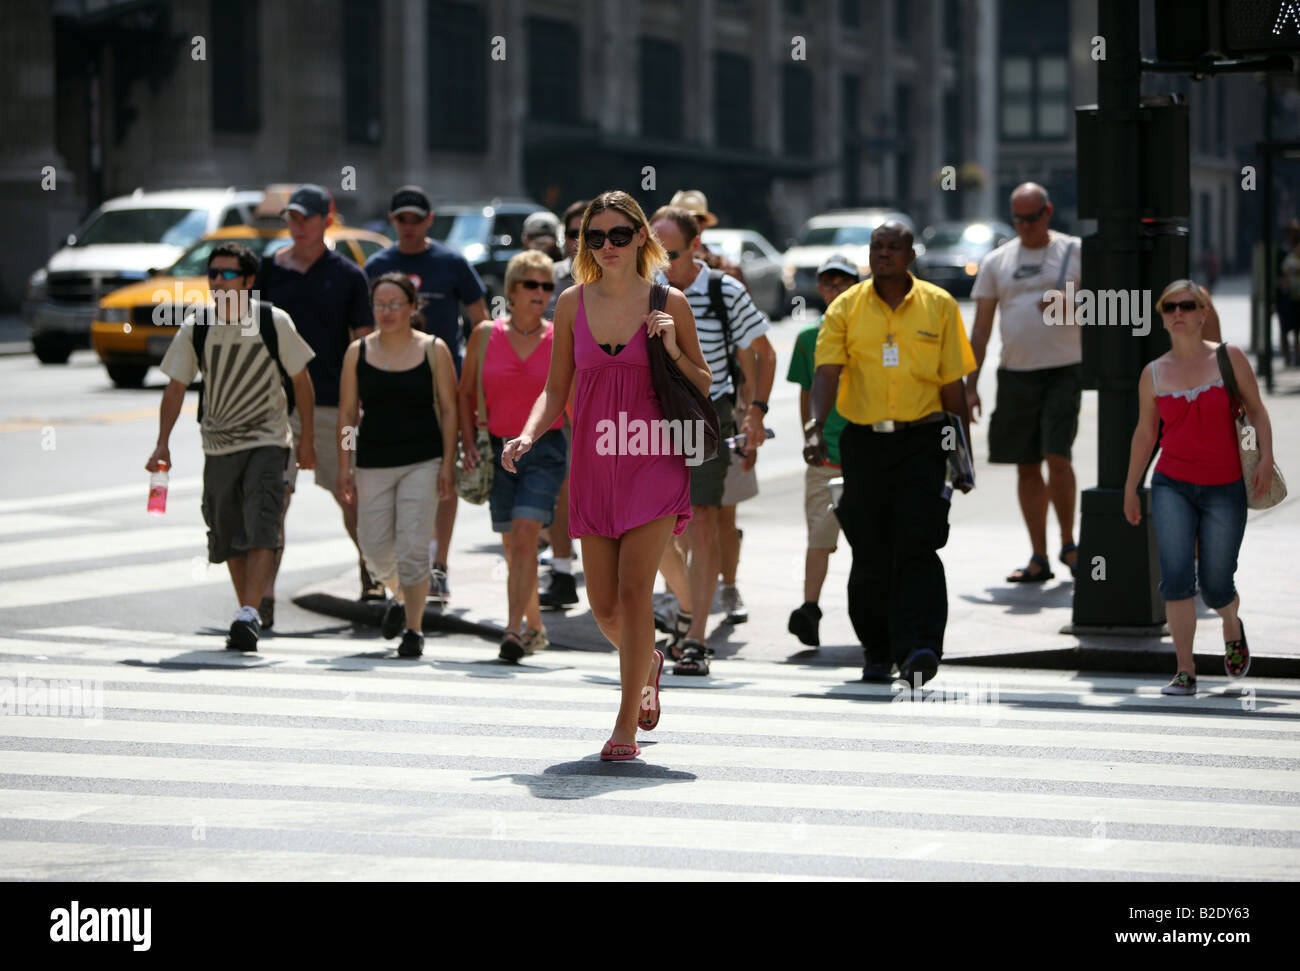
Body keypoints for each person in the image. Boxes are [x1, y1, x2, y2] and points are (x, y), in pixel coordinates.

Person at [500, 190, 710, 761]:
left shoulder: (670, 301)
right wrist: (528, 434)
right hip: (594, 464)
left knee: (636, 590)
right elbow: (554, 389)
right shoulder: (571, 303)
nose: (607, 246)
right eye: (595, 237)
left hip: (654, 459)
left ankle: (625, 725)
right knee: (604, 608)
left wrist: (671, 344)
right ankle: (650, 661)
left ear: (641, 236)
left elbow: (703, 381)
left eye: (619, 235)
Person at [807, 221, 976, 687]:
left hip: (923, 440)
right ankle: (878, 651)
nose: (883, 253)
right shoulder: (846, 306)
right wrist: (815, 427)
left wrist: (962, 455)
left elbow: (953, 386)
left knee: (919, 543)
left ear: (910, 254)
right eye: (877, 246)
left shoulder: (939, 305)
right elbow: (826, 373)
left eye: (893, 247)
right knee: (871, 550)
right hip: (864, 443)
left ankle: (920, 647)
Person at [147, 242, 316, 652]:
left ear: (248, 280)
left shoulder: (272, 321)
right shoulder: (198, 326)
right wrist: (162, 444)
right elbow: (175, 387)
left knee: (262, 522)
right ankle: (248, 610)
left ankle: (249, 612)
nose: (219, 282)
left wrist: (307, 440)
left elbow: (302, 382)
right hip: (218, 445)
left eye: (228, 274)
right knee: (227, 531)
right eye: (213, 274)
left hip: (268, 439)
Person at [1124, 280, 1272, 695]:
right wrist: (1131, 486)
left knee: (1216, 584)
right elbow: (1145, 435)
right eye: (1169, 307)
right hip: (1171, 484)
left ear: (1204, 313)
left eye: (1187, 305)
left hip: (1226, 487)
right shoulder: (1153, 373)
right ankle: (1185, 669)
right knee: (1175, 579)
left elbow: (1257, 411)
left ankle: (1231, 624)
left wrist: (1265, 458)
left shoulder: (1229, 357)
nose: (1178, 313)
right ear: (1162, 316)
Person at [651, 205, 776, 672]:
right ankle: (684, 606)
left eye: (672, 254)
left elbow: (764, 352)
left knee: (703, 518)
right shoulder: (641, 289)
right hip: (648, 418)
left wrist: (755, 413)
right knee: (653, 523)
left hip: (708, 412)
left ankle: (696, 638)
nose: (662, 264)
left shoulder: (725, 291)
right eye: (653, 253)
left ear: (696, 247)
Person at [365, 185, 490, 606]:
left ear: (429, 220)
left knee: (443, 474)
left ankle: (439, 564)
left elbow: (481, 322)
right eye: (402, 219)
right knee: (392, 474)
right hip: (388, 385)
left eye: (416, 219)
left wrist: (473, 378)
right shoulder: (378, 265)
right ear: (392, 220)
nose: (409, 226)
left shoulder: (451, 262)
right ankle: (401, 566)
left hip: (443, 383)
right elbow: (363, 326)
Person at [256, 184, 376, 618]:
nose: (298, 225)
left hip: (332, 405)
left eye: (306, 217)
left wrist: (363, 399)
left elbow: (364, 344)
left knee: (350, 494)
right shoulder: (267, 271)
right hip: (275, 405)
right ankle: (263, 597)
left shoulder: (348, 275)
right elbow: (250, 333)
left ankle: (371, 573)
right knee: (275, 501)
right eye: (292, 217)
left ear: (327, 219)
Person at [337, 272, 458, 659]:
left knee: (412, 546)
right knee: (373, 549)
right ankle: (402, 595)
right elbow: (346, 415)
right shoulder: (357, 352)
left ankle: (414, 629)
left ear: (412, 306)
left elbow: (450, 409)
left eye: (394, 304)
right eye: (379, 305)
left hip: (423, 461)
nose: (386, 312)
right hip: (372, 462)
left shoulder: (433, 349)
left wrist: (447, 464)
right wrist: (344, 463)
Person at [967, 182, 1083, 583]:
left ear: (1047, 212)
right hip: (1015, 374)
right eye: (1018, 219)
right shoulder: (997, 261)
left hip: (1063, 369)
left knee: (1058, 456)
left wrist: (1073, 305)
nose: (1025, 226)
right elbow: (980, 329)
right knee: (1026, 465)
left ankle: (1069, 545)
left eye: (1032, 218)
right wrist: (970, 385)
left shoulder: (1074, 251)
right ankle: (1039, 556)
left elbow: (1113, 306)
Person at [460, 251, 567, 660]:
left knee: (525, 535)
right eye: (531, 284)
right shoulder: (485, 334)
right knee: (513, 546)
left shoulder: (560, 338)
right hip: (496, 449)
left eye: (546, 285)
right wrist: (469, 443)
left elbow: (573, 401)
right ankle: (534, 625)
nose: (541, 292)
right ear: (511, 290)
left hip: (545, 449)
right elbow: (464, 393)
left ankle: (512, 631)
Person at [786, 254, 859, 647]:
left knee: (868, 542)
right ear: (819, 288)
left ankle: (869, 617)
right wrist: (809, 435)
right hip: (826, 456)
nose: (836, 289)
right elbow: (806, 392)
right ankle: (809, 608)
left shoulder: (868, 331)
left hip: (866, 452)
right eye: (829, 283)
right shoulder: (807, 339)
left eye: (843, 282)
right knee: (820, 536)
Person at [537, 199, 589, 609]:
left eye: (588, 234)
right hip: (556, 395)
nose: (580, 241)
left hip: (604, 403)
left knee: (601, 489)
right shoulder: (548, 278)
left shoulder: (621, 281)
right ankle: (561, 572)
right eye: (573, 233)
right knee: (560, 485)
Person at [1278, 220, 1300, 367]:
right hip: (1286, 295)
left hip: (1297, 295)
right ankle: (1287, 357)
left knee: (1297, 328)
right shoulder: (1283, 251)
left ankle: (1297, 355)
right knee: (1285, 327)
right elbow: (1278, 272)